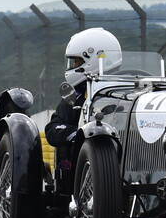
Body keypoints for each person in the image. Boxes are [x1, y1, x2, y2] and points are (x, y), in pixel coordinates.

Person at [45, 27, 123, 163]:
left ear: (92, 59)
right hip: (84, 165)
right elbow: (53, 130)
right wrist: (80, 134)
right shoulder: (76, 95)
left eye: (76, 61)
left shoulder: (128, 92)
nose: (73, 65)